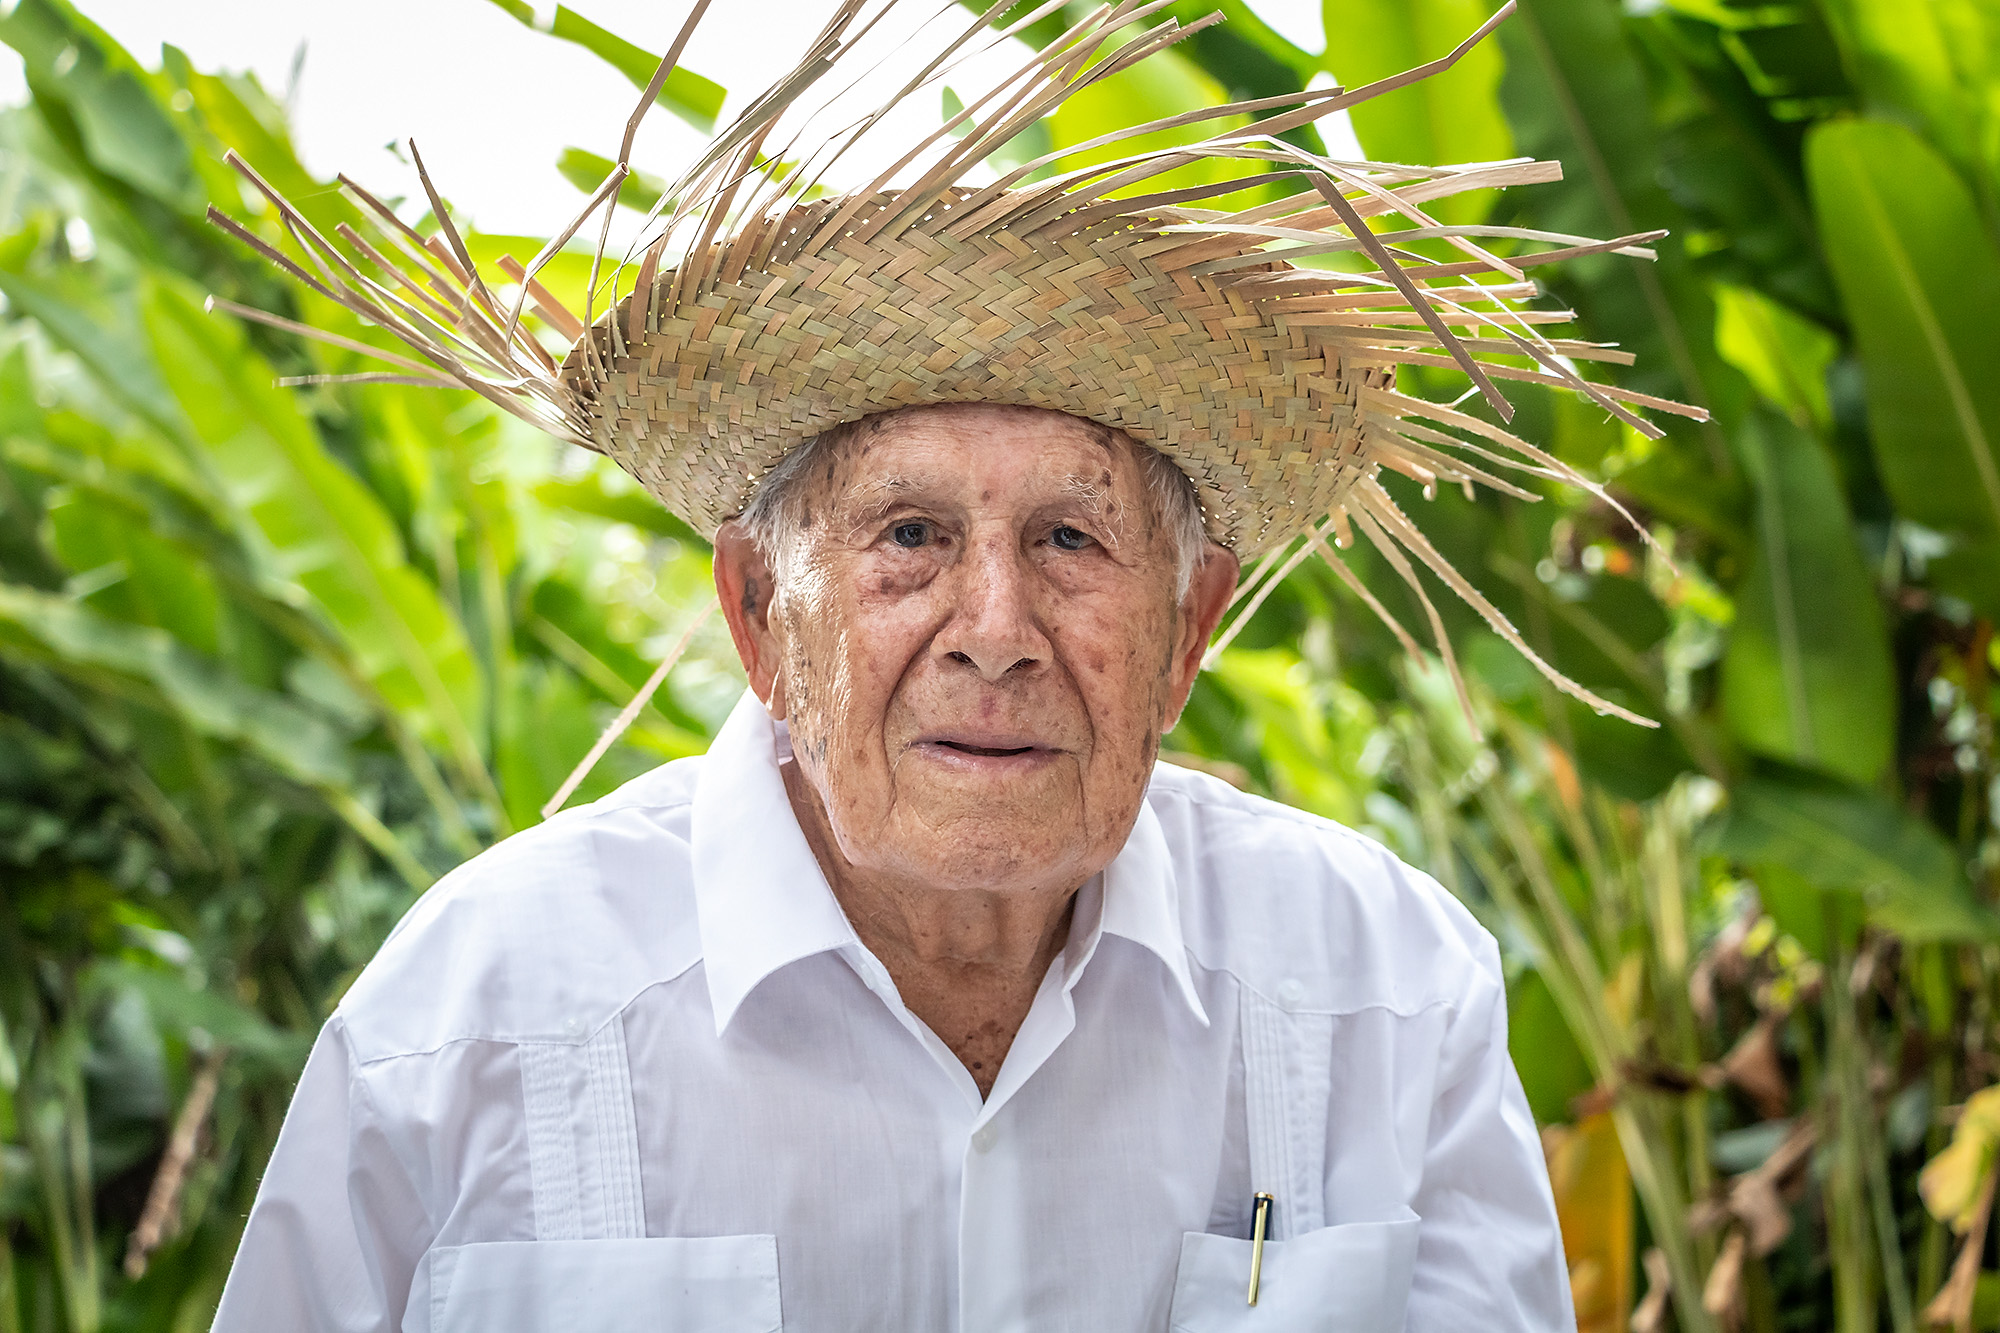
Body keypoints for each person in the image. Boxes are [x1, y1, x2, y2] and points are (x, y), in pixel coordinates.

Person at [208, 1, 1691, 1326]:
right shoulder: (469, 1024)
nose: (994, 626)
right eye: (908, 533)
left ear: (1189, 633)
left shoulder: (1391, 997)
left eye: (1072, 539)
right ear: (757, 616)